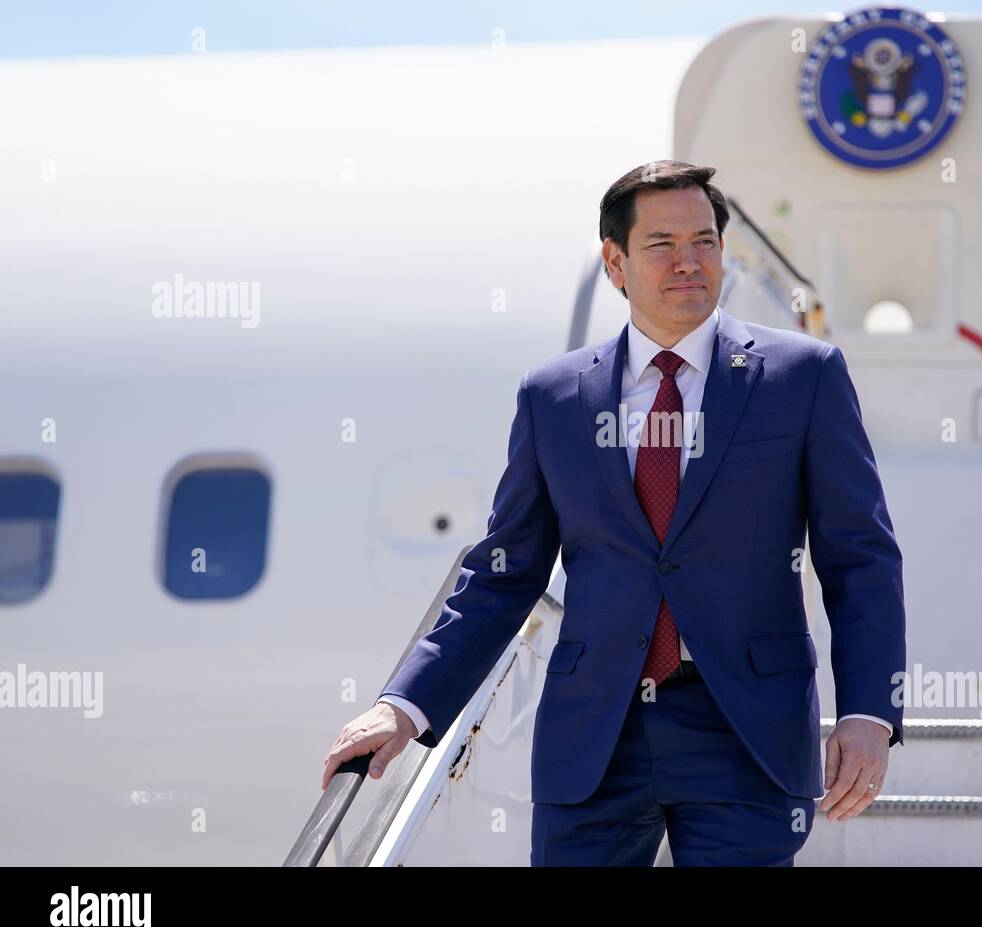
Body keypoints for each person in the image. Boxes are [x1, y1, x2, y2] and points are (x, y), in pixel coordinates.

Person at [322, 161, 906, 865]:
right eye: (662, 244)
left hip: (746, 731)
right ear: (616, 261)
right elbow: (506, 571)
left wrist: (869, 714)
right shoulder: (554, 397)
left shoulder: (801, 377)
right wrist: (404, 706)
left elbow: (860, 557)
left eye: (705, 241)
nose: (689, 262)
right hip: (595, 732)